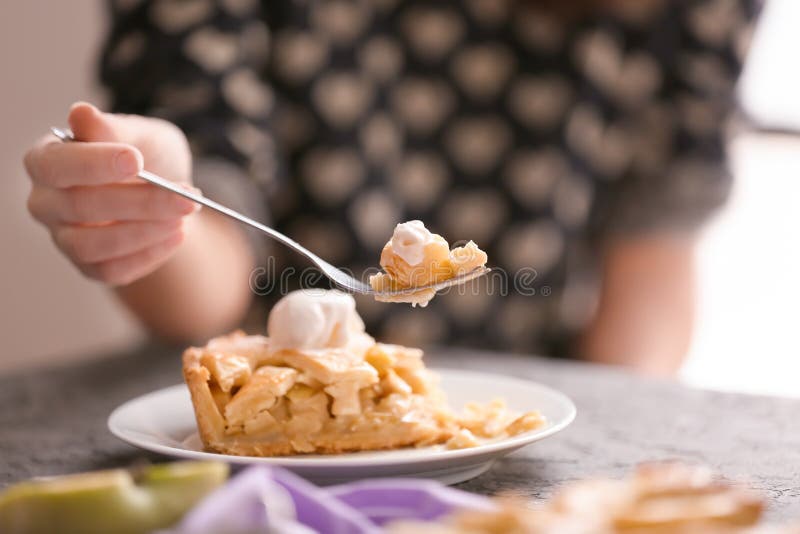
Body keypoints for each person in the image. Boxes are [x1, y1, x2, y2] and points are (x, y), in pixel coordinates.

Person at [23, 0, 758, 375]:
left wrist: (604, 457)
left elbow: (653, 252)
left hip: (536, 421)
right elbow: (207, 283)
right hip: (260, 435)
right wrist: (157, 203)